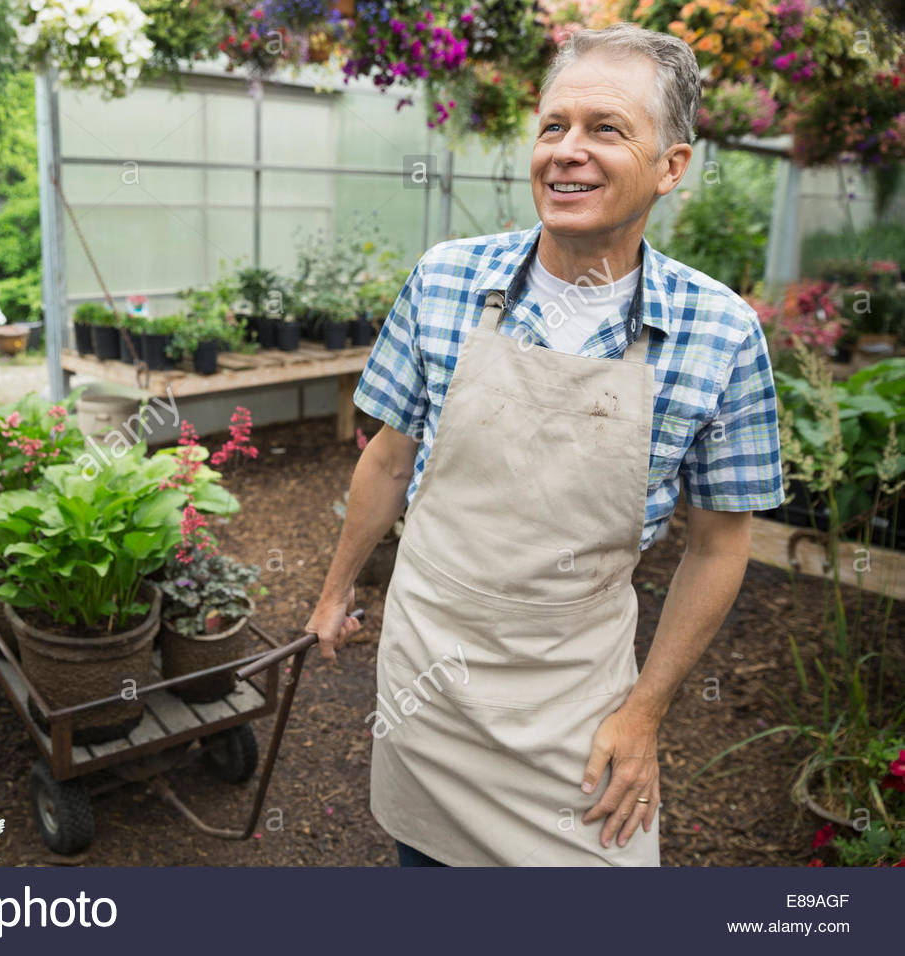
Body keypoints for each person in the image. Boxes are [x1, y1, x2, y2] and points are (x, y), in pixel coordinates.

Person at [306, 22, 785, 867]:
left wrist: (644, 713)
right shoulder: (448, 279)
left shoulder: (720, 334)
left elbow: (719, 546)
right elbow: (386, 456)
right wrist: (334, 589)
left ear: (673, 166)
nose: (567, 151)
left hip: (571, 693)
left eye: (606, 129)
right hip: (429, 668)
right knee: (426, 872)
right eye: (553, 126)